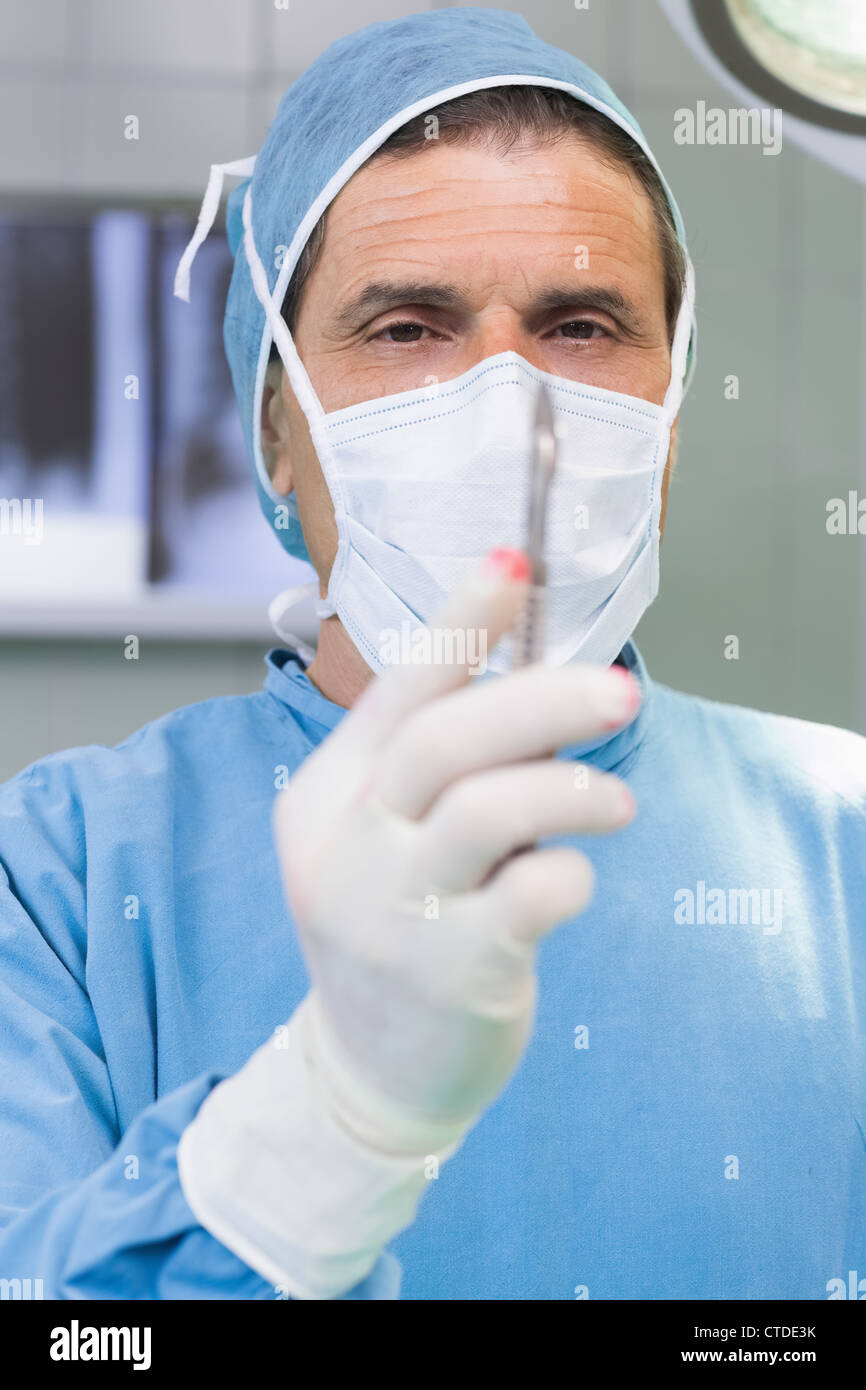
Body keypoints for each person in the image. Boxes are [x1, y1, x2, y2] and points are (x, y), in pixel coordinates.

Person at [1, 7, 864, 1302]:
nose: (506, 406)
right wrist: (332, 1117)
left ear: (669, 422)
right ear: (276, 433)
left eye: (579, 324)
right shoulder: (60, 875)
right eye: (407, 326)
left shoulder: (839, 843)